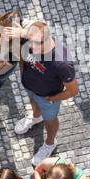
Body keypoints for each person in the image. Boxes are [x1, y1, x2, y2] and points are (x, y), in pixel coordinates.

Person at [15, 20, 80, 162]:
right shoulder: (29, 41)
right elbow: (22, 56)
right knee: (33, 101)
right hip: (30, 87)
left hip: (48, 96)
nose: (31, 47)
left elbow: (73, 91)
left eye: (36, 44)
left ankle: (50, 143)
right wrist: (23, 74)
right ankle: (36, 117)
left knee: (50, 121)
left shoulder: (62, 63)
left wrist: (53, 98)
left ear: (47, 39)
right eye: (30, 42)